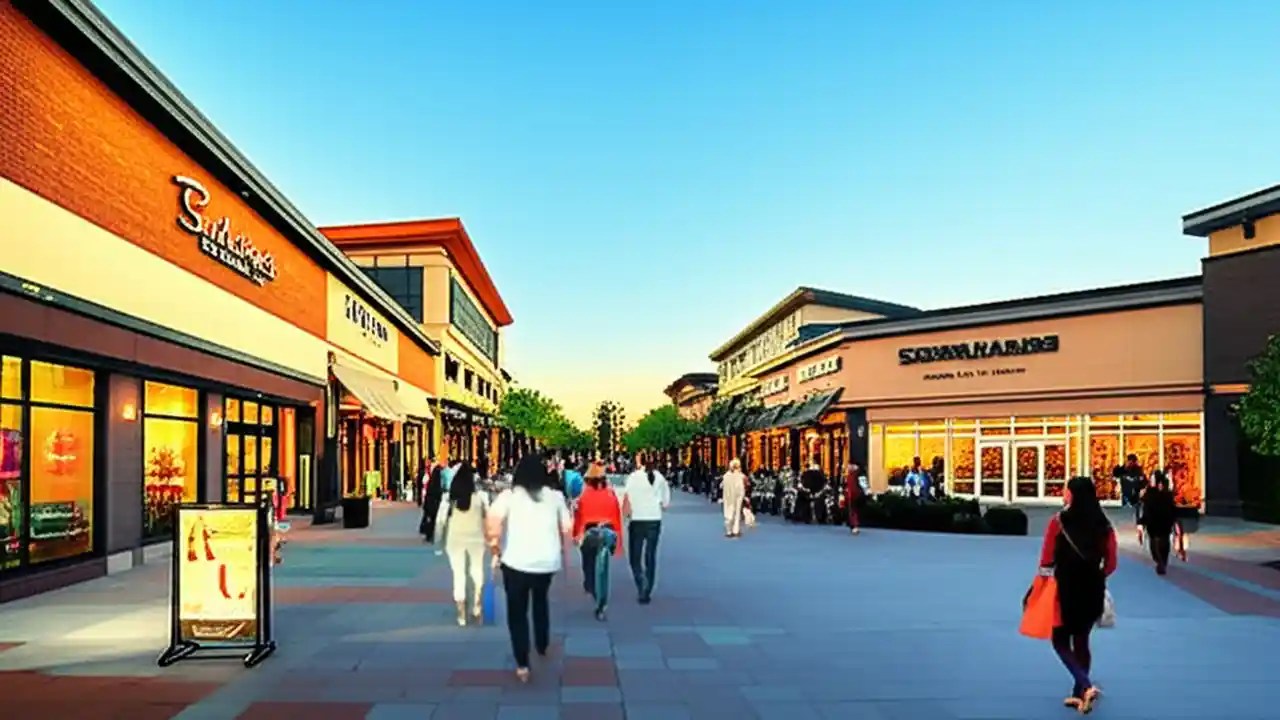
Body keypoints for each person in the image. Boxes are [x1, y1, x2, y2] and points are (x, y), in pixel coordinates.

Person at [485, 454, 572, 683]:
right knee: (540, 600)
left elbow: (492, 523)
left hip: (516, 562)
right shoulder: (555, 497)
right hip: (546, 562)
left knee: (517, 612)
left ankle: (522, 663)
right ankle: (541, 643)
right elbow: (567, 527)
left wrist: (495, 547)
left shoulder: (509, 497)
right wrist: (562, 552)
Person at [1037, 476, 1117, 713]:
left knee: (1059, 640)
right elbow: (1111, 563)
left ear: (1072, 495)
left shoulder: (1058, 522)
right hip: (1092, 587)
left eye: (1066, 490)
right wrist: (1097, 575)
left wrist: (1041, 585)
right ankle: (1079, 692)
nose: (1063, 494)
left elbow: (1046, 559)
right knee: (1082, 640)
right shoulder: (1104, 525)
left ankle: (1085, 684)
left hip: (1065, 588)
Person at [435, 463, 489, 626]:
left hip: (455, 540)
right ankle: (477, 603)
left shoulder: (448, 500)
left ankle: (461, 612)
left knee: (458, 574)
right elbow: (487, 518)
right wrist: (491, 539)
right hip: (476, 538)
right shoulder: (480, 498)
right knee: (477, 570)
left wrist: (438, 543)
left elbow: (440, 523)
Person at [573, 463, 623, 620]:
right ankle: (601, 601)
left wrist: (576, 535)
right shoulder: (610, 494)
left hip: (590, 532)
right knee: (603, 569)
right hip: (608, 532)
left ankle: (589, 583)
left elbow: (579, 518)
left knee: (587, 557)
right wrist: (618, 543)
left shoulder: (584, 495)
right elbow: (617, 517)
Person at [622, 452, 670, 604]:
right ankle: (648, 588)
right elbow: (665, 504)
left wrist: (625, 515)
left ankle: (641, 583)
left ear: (639, 462)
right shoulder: (660, 478)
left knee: (635, 557)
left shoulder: (633, 477)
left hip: (637, 519)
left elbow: (626, 499)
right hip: (654, 519)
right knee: (650, 555)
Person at [1140, 470, 1178, 575]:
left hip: (1156, 522)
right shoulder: (1165, 494)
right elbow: (1172, 508)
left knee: (1157, 542)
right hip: (1162, 522)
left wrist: (1142, 521)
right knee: (1162, 541)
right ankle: (1162, 561)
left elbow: (1146, 508)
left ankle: (1160, 561)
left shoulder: (1152, 494)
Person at [721, 459, 748, 538]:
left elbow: (721, 485)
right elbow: (746, 484)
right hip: (738, 497)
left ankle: (729, 530)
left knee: (729, 513)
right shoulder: (741, 476)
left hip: (728, 497)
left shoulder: (726, 476)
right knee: (737, 513)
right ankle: (735, 530)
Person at [420, 459, 444, 543]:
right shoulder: (439, 484)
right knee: (434, 520)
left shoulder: (431, 482)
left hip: (430, 504)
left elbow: (428, 494)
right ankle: (433, 534)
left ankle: (429, 534)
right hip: (436, 503)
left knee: (430, 519)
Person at [844, 463, 867, 535]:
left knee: (855, 511)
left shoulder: (859, 474)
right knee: (852, 511)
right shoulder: (850, 475)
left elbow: (864, 485)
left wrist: (864, 493)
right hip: (850, 496)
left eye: (850, 466)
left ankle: (855, 526)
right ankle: (853, 526)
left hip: (857, 495)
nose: (848, 467)